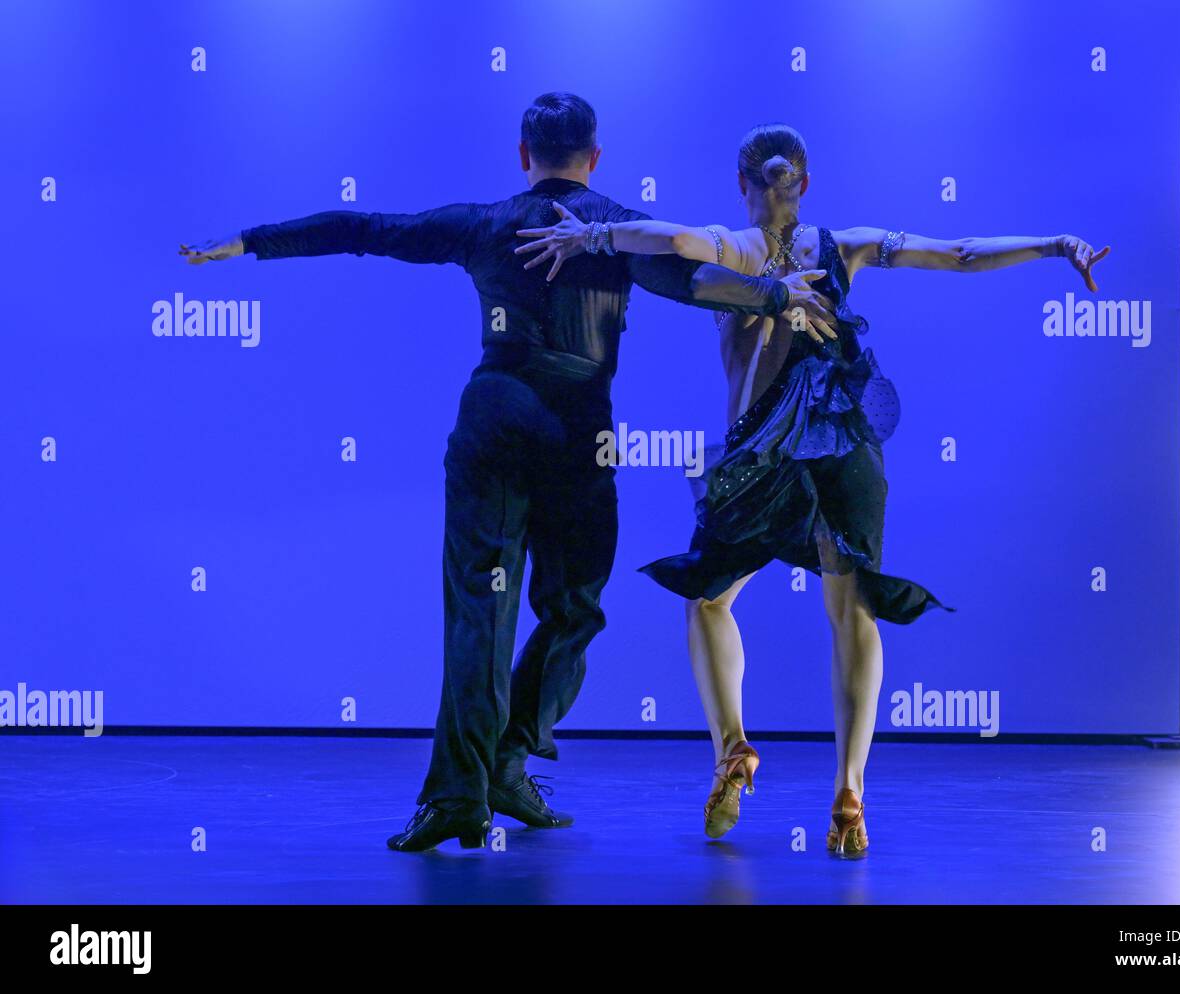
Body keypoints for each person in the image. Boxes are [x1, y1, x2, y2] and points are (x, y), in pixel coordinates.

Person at [179, 96, 839, 852]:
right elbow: (693, 281)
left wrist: (245, 242)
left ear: (524, 155)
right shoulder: (616, 227)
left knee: (479, 616)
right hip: (578, 434)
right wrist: (775, 292)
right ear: (595, 158)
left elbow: (366, 230)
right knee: (574, 611)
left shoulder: (488, 222)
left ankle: (474, 785)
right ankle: (501, 761)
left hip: (495, 422)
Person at [516, 121, 1109, 856]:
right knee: (835, 610)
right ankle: (842, 790)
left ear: (750, 184)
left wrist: (594, 238)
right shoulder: (818, 246)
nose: (776, 188)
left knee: (722, 603)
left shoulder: (749, 246)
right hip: (816, 451)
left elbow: (670, 240)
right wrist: (1056, 245)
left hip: (785, 452)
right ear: (795, 183)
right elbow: (954, 255)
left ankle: (753, 756)